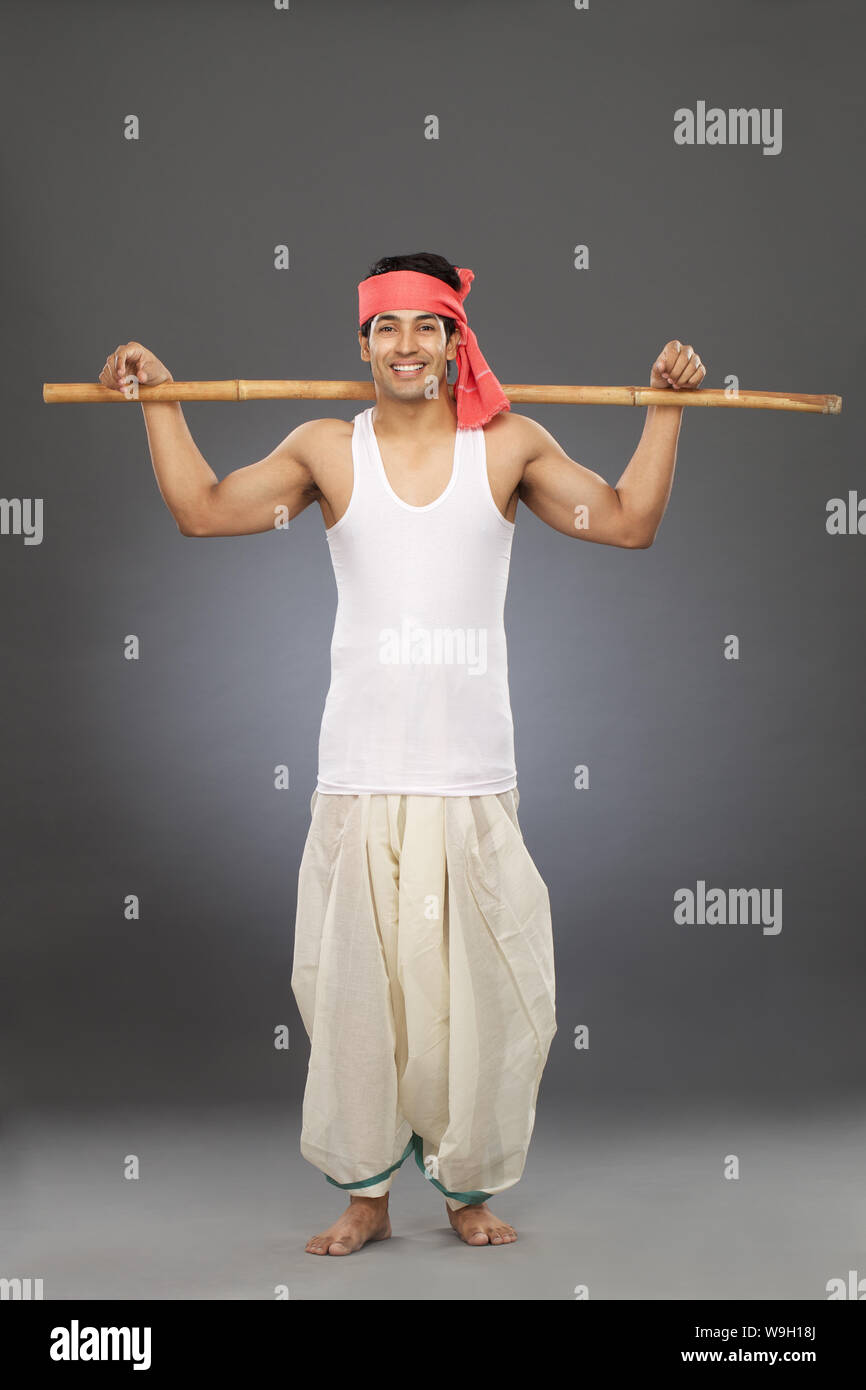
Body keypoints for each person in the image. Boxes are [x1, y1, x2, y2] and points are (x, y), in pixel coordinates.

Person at [99, 251, 705, 1255]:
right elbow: (202, 510)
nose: (407, 344)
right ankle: (366, 1198)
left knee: (482, 998)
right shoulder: (326, 452)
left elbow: (628, 522)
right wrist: (158, 401)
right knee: (352, 1003)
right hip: (361, 776)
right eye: (386, 328)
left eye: (427, 325)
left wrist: (663, 410)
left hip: (469, 779)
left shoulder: (507, 446)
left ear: (455, 339)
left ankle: (466, 1185)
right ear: (363, 345)